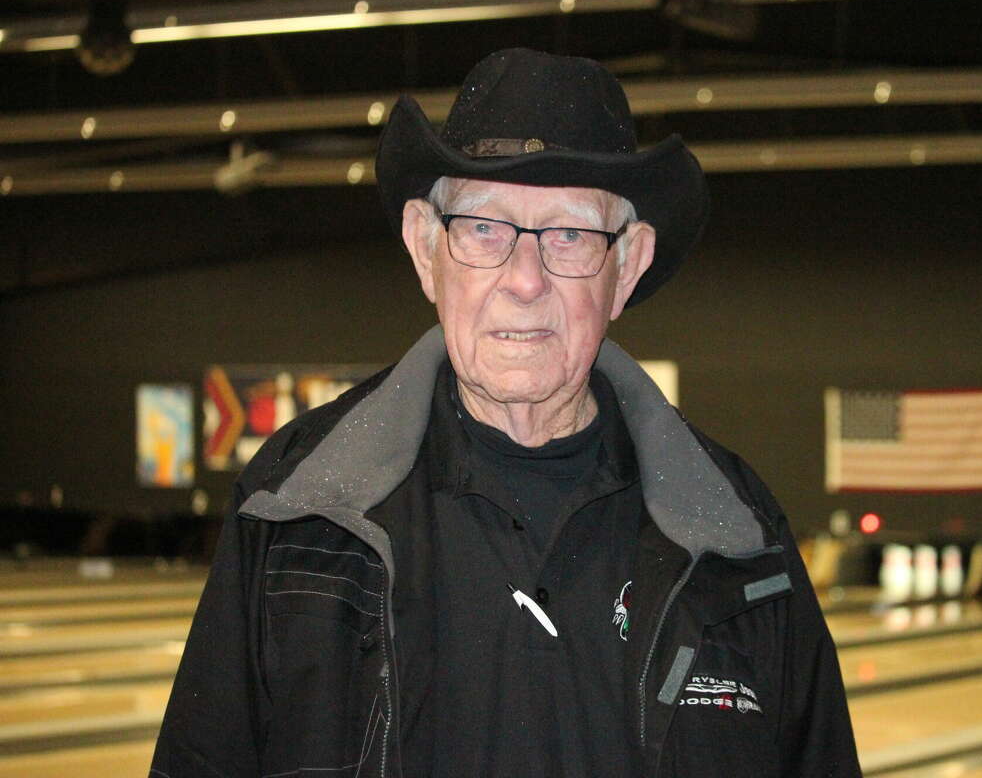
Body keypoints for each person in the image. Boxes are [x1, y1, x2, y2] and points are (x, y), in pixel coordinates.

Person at [151, 48, 859, 778]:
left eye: (571, 235)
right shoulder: (291, 508)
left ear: (629, 268)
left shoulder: (740, 534)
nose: (525, 280)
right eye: (484, 228)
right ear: (427, 250)